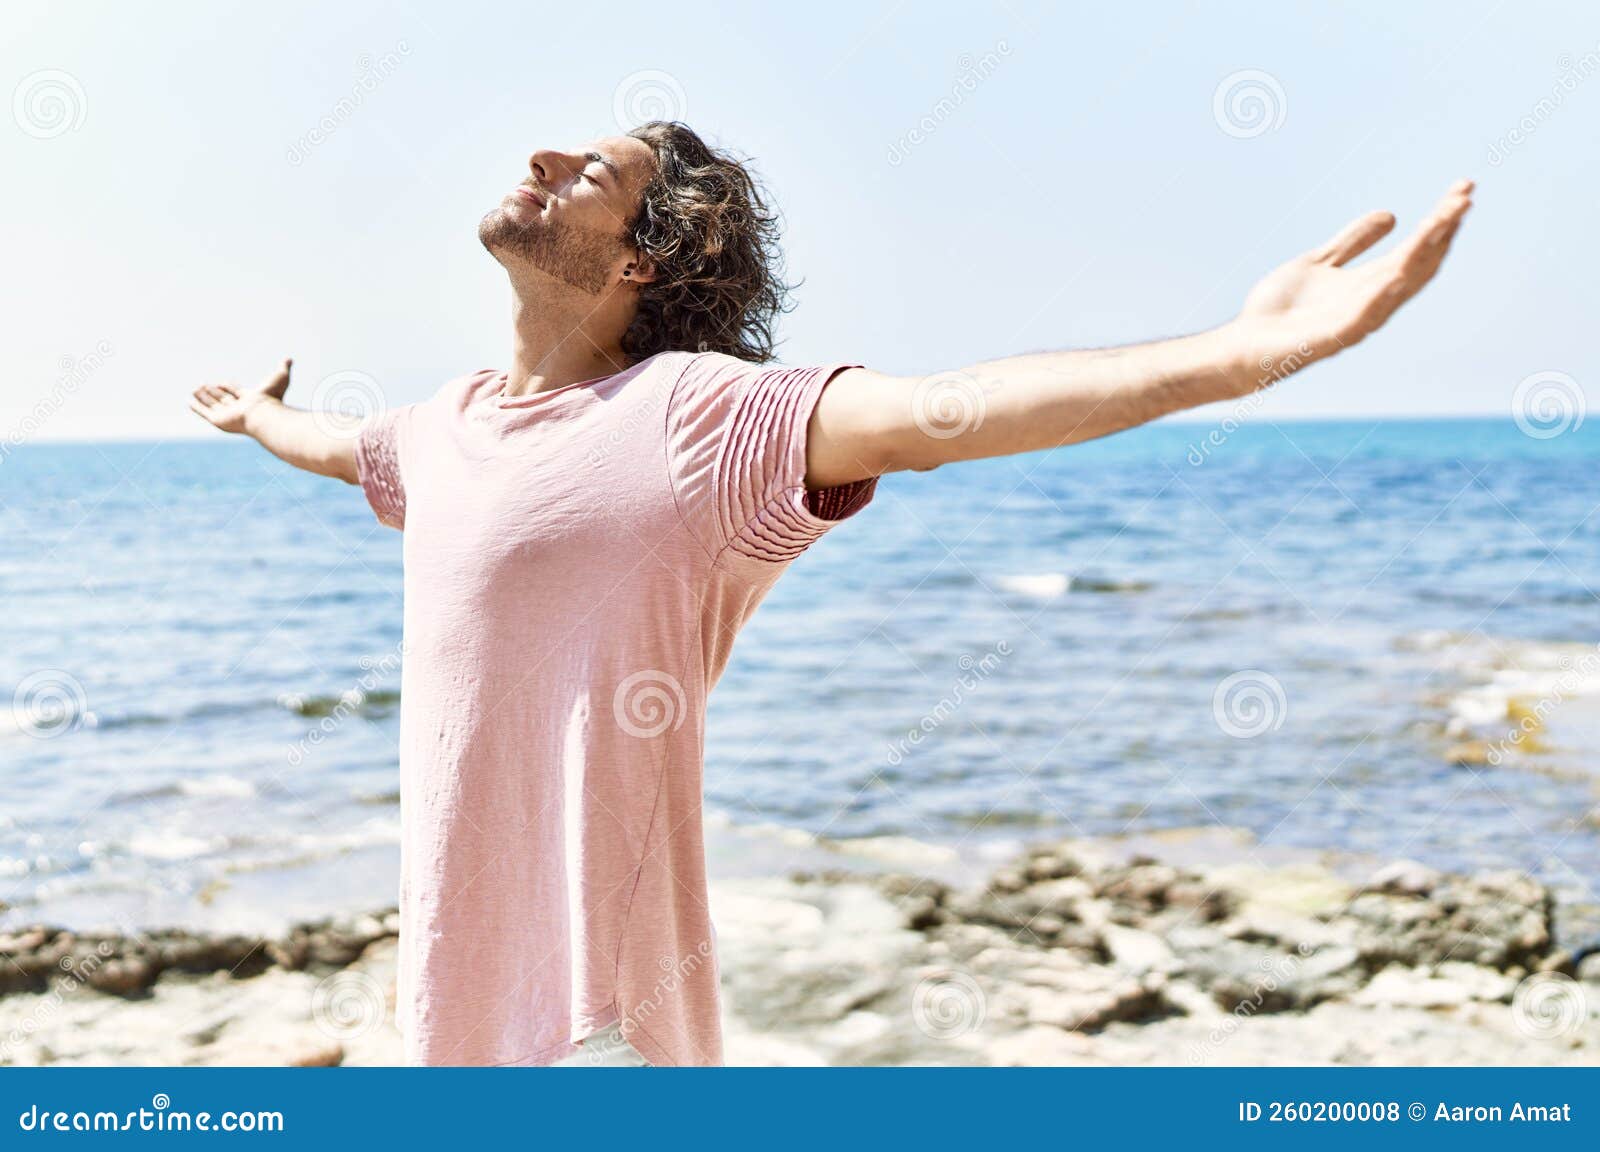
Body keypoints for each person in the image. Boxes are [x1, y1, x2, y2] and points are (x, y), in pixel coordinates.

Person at [188, 120, 1473, 1066]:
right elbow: (345, 448)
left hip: (607, 1039)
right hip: (445, 1024)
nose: (540, 157)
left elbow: (941, 414)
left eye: (596, 173)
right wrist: (259, 415)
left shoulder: (701, 415)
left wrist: (1245, 352)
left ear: (643, 260)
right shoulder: (442, 428)